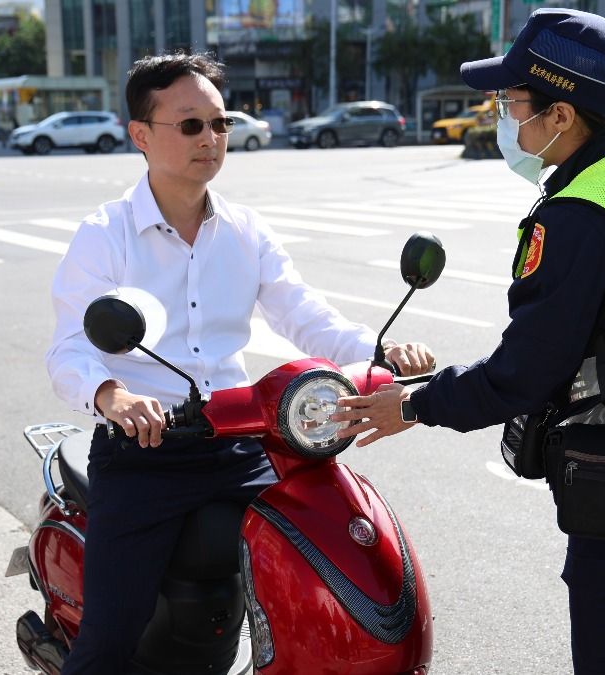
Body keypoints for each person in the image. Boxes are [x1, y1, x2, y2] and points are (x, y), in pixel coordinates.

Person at [332, 9, 605, 674]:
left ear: (561, 115)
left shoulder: (582, 214)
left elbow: (525, 372)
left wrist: (411, 405)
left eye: (510, 101)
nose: (502, 115)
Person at [45, 52, 435, 675]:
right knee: (108, 642)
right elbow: (69, 346)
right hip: (146, 454)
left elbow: (304, 313)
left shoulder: (245, 230)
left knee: (326, 554)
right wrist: (113, 396)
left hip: (242, 443)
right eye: (191, 125)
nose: (212, 138)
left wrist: (377, 352)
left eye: (221, 123)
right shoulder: (105, 234)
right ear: (141, 135)